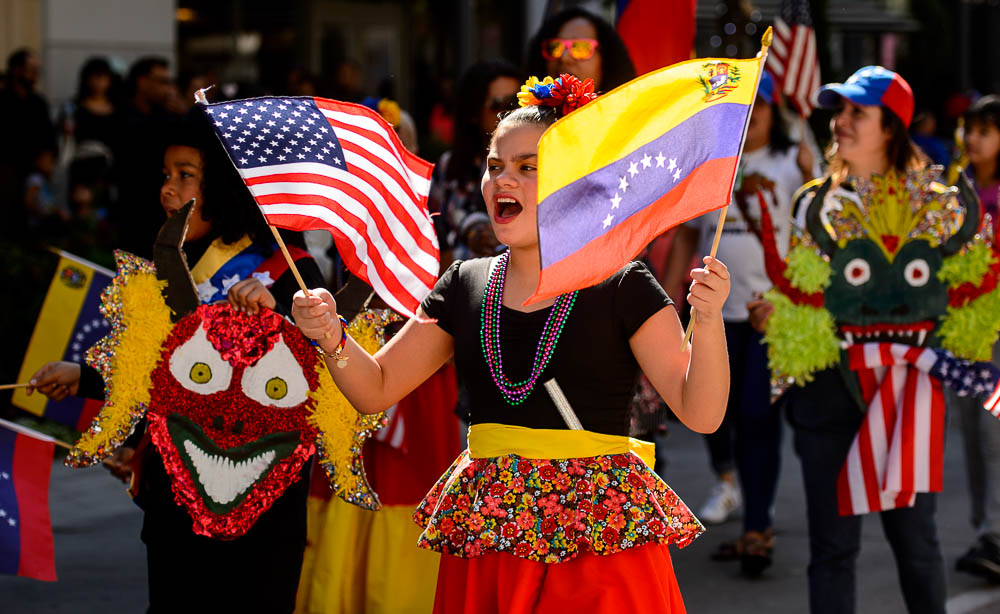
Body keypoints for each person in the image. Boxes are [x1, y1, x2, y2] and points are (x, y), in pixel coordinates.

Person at [292, 74, 731, 613]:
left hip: (599, 535)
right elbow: (376, 388)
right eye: (496, 166)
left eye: (529, 168)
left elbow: (701, 412)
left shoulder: (622, 281)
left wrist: (707, 320)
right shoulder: (464, 282)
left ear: (575, 179)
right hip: (491, 527)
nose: (505, 180)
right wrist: (331, 335)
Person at [26, 108, 325, 613]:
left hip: (266, 498)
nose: (168, 189)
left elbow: (320, 371)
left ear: (226, 186)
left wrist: (280, 318)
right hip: (177, 494)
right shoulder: (167, 267)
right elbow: (154, 371)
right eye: (165, 175)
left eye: (186, 176)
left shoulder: (285, 266)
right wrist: (82, 377)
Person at [774, 66, 946, 614]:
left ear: (892, 128)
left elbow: (952, 299)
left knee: (915, 546)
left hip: (904, 396)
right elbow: (805, 291)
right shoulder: (809, 202)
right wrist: (778, 311)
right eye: (838, 110)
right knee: (832, 550)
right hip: (827, 391)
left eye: (856, 112)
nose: (840, 121)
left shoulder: (934, 205)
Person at [661, 71, 816, 574]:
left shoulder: (793, 163)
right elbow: (687, 235)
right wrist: (667, 299)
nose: (753, 119)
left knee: (758, 418)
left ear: (777, 112)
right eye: (744, 110)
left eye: (762, 108)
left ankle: (757, 526)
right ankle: (726, 478)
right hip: (710, 316)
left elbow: (813, 237)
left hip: (769, 317)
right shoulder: (710, 164)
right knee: (713, 415)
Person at [954, 93, 1000, 582]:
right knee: (971, 432)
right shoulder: (957, 187)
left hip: (996, 331)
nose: (973, 138)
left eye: (985, 130)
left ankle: (994, 534)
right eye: (969, 128)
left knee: (992, 433)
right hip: (962, 332)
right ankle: (984, 532)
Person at [428, 60, 521, 265]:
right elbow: (431, 242)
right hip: (459, 288)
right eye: (498, 105)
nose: (511, 113)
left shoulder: (541, 165)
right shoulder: (448, 167)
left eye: (517, 103)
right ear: (474, 112)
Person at [524, 7, 636, 93]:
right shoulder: (522, 120)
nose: (564, 57)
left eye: (580, 48)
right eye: (555, 47)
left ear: (607, 59)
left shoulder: (629, 119)